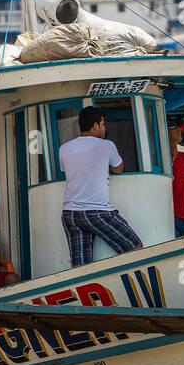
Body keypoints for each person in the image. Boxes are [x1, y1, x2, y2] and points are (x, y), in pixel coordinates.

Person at [59, 106, 142, 267]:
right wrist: (104, 164)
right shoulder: (106, 145)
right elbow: (119, 167)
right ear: (95, 126)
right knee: (135, 248)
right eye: (103, 124)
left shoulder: (64, 148)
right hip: (96, 212)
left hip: (71, 214)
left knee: (81, 268)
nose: (104, 128)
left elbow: (68, 172)